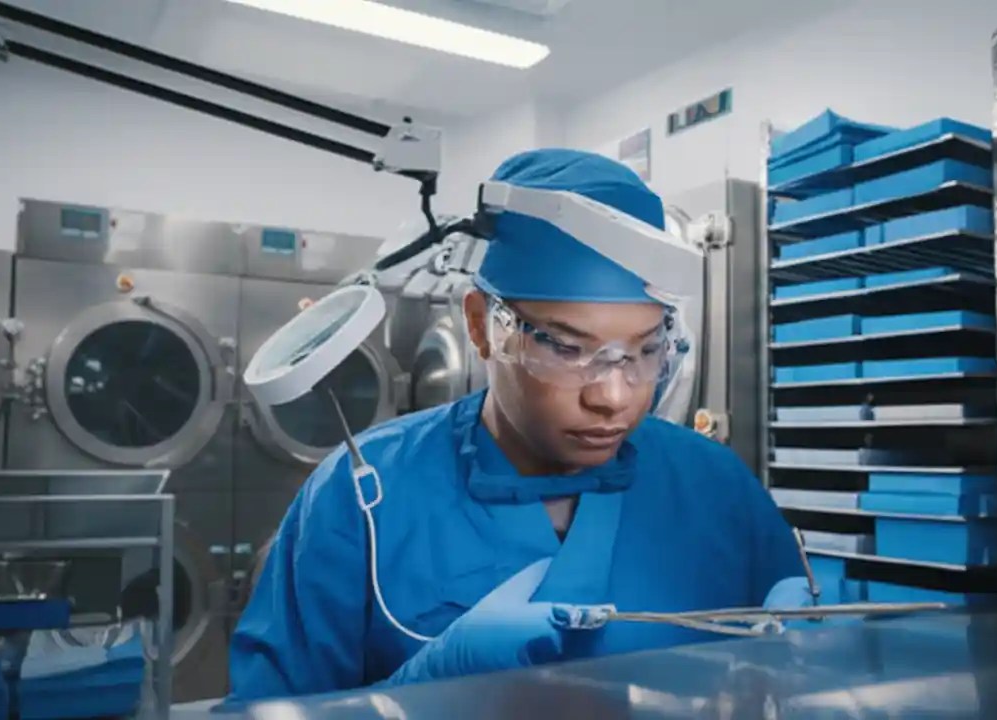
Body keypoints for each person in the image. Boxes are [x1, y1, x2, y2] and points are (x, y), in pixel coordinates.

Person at [226, 148, 810, 704]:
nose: (613, 398)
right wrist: (414, 695)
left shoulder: (714, 488)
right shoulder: (362, 501)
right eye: (566, 348)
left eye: (646, 349)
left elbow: (793, 679)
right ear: (482, 327)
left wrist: (805, 655)